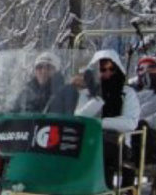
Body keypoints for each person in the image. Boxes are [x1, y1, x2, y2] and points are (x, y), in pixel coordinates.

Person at [50, 49, 139, 188]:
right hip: (88, 140)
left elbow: (130, 122)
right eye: (103, 69)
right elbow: (80, 116)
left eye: (111, 68)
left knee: (102, 149)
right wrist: (98, 98)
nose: (107, 73)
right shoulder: (87, 94)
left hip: (117, 142)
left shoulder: (127, 93)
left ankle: (105, 189)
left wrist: (100, 123)